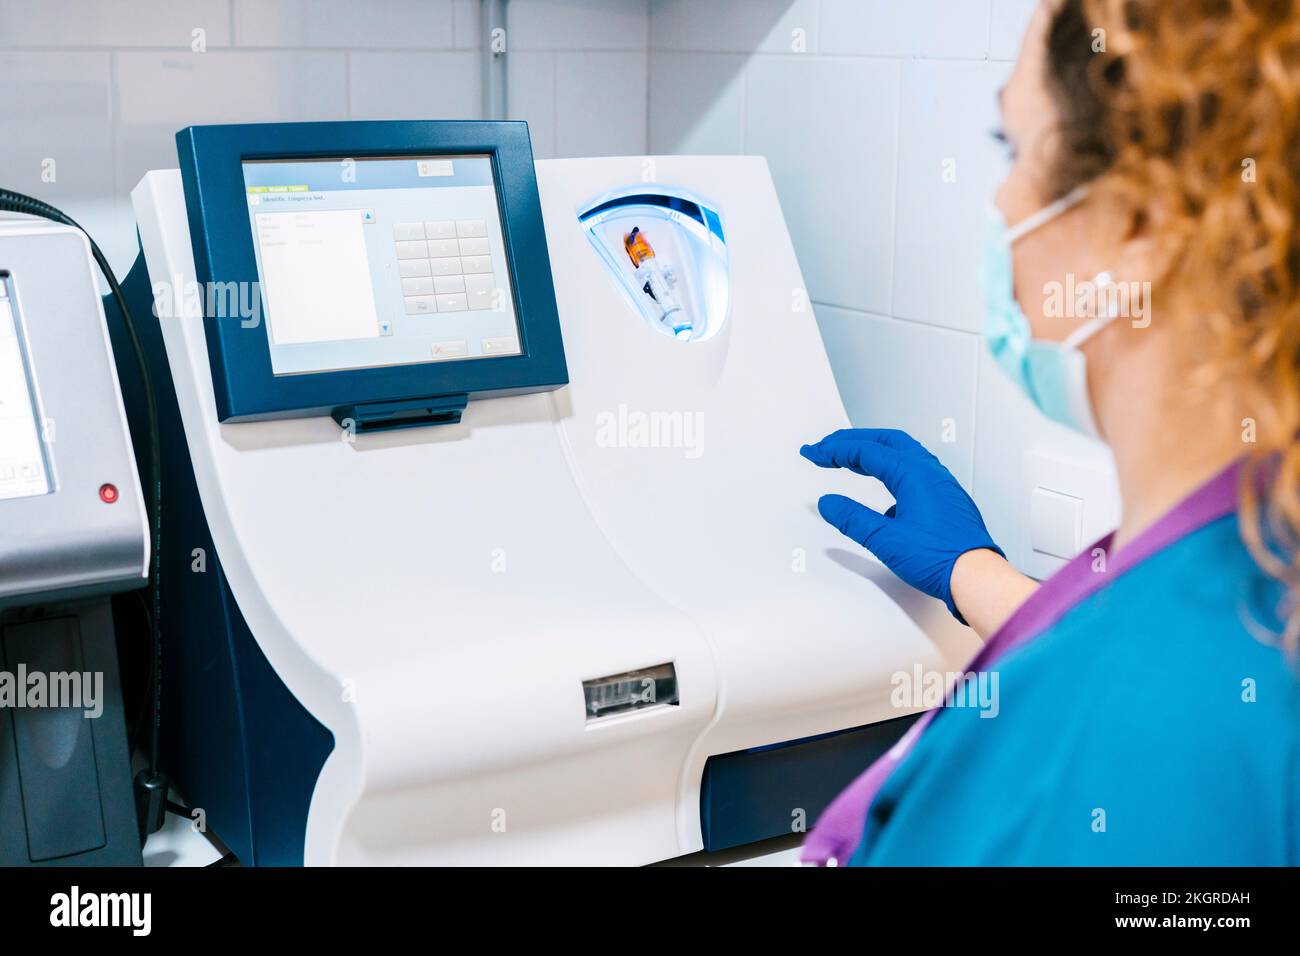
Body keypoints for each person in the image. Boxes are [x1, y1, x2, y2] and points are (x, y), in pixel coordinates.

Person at [799, 0, 1300, 865]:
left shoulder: (1113, 748)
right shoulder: (1258, 536)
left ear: (1139, 225)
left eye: (1014, 151)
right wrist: (975, 576)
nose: (1000, 199)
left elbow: (1142, 718)